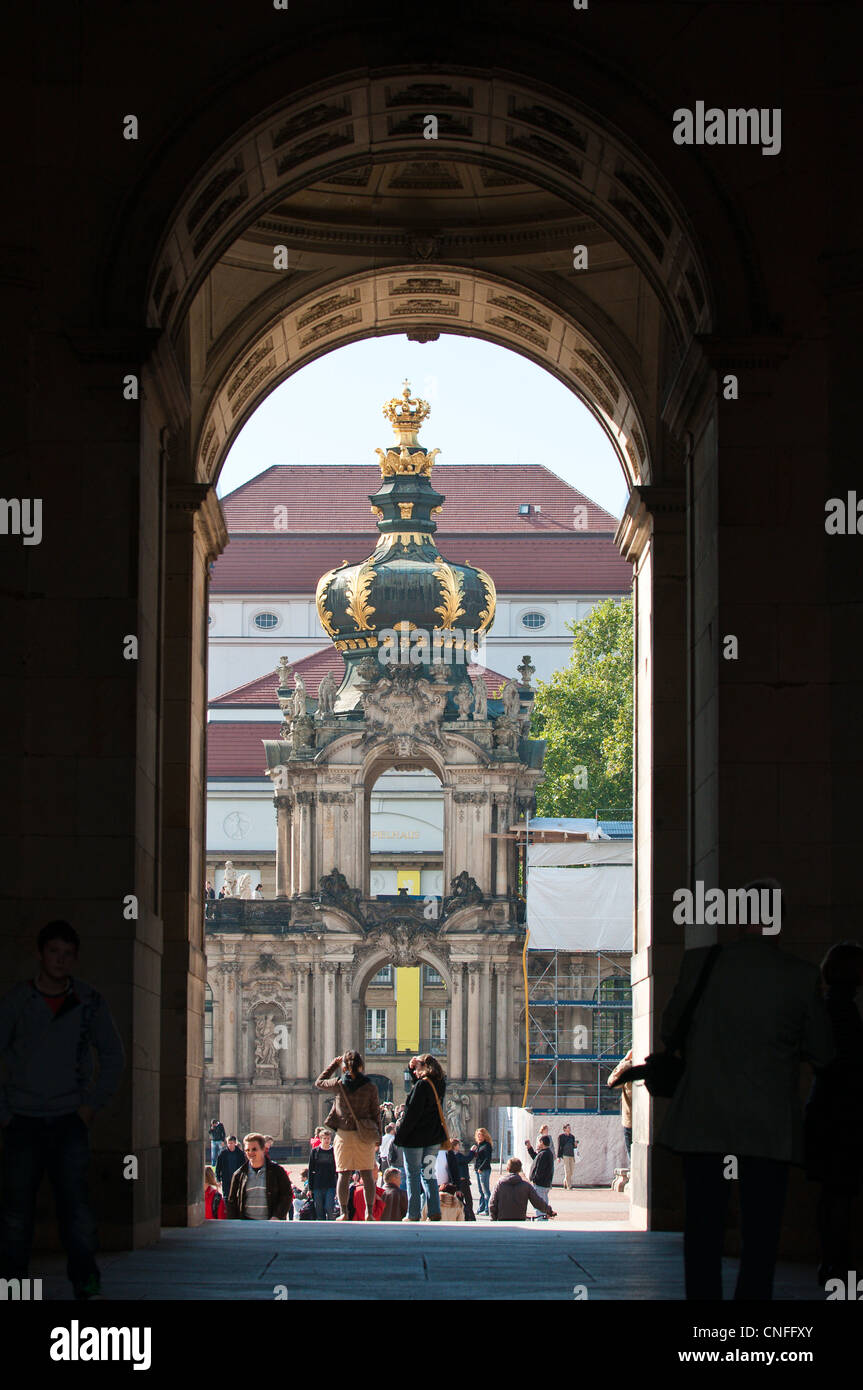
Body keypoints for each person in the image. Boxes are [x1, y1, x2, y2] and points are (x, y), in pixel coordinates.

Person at [657, 881, 835, 1300]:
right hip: (767, 1127)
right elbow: (824, 1052)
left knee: (702, 1229)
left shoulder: (699, 963)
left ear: (736, 918)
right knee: (761, 1235)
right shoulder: (801, 976)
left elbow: (670, 1032)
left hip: (704, 1123)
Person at [0, 920, 125, 1300]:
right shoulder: (17, 1001)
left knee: (76, 1213)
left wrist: (89, 1107)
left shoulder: (89, 1001)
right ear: (40, 955)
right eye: (53, 952)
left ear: (75, 959)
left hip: (69, 1121)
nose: (60, 960)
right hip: (21, 1120)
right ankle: (13, 1290)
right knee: (16, 1216)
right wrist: (4, 1111)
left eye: (67, 954)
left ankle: (86, 1287)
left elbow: (114, 1057)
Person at [804, 941, 863, 1286]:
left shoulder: (830, 1007)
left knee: (832, 1193)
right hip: (841, 1114)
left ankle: (832, 1262)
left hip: (827, 1110)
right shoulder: (843, 1011)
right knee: (840, 1193)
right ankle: (838, 1264)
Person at [315, 1050, 381, 1223]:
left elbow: (319, 1082)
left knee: (344, 1174)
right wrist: (378, 1138)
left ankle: (344, 1212)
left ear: (345, 1066)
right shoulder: (370, 1086)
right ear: (361, 1066)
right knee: (367, 1175)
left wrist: (334, 1065)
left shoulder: (339, 1084)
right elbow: (376, 1113)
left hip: (344, 1134)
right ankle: (369, 1213)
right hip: (364, 1135)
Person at [393, 1053, 447, 1222]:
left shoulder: (421, 1087)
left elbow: (412, 1115)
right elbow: (422, 1089)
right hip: (433, 1139)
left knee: (413, 1175)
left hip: (415, 1139)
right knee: (429, 1174)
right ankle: (434, 1211)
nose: (415, 1072)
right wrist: (411, 1069)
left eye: (416, 1069)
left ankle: (413, 1213)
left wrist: (400, 1137)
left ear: (424, 1068)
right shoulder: (439, 1084)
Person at [225, 1133, 293, 1220]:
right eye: (247, 1150)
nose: (250, 1153)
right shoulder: (239, 1175)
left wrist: (277, 1216)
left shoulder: (277, 1171)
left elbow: (287, 1195)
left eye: (254, 1149)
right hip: (246, 1225)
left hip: (271, 1226)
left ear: (263, 1149)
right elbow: (232, 1202)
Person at [489, 1158, 556, 1221]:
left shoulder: (499, 1184)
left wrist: (494, 1219)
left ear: (507, 1169)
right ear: (520, 1170)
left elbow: (492, 1203)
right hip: (520, 1219)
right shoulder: (526, 1186)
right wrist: (549, 1211)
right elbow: (537, 1202)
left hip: (502, 1220)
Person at [607, 1051, 633, 1161]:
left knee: (633, 1158)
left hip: (630, 1120)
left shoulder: (629, 1066)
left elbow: (611, 1081)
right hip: (641, 1120)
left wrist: (625, 1060)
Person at [308, 1129, 337, 1221]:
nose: (326, 1140)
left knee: (329, 1208)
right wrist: (310, 1188)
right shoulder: (315, 1151)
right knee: (319, 1211)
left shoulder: (334, 1151)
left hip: (330, 1184)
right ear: (320, 1139)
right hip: (317, 1184)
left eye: (328, 1138)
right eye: (324, 1138)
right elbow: (310, 1170)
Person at [445, 1139, 476, 1220]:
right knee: (466, 1199)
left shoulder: (453, 1155)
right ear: (454, 1146)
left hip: (461, 1180)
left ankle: (467, 1215)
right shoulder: (455, 1156)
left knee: (463, 1199)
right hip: (461, 1180)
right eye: (458, 1145)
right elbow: (466, 1160)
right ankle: (468, 1215)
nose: (460, 1146)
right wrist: (472, 1151)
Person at [525, 1134, 555, 1217]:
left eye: (539, 1142)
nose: (538, 1144)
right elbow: (535, 1157)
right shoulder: (546, 1153)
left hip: (541, 1183)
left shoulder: (544, 1154)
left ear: (542, 1143)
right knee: (544, 1201)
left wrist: (534, 1179)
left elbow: (540, 1170)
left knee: (539, 1203)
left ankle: (541, 1217)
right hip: (545, 1183)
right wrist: (529, 1148)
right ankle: (544, 1215)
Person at [471, 1128, 493, 1214]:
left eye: (481, 1135)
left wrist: (481, 1168)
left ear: (485, 1136)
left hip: (484, 1169)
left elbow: (487, 1158)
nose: (479, 1137)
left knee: (485, 1190)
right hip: (478, 1169)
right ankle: (482, 1207)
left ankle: (488, 1208)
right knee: (481, 1190)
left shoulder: (487, 1145)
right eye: (478, 1135)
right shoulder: (479, 1145)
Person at [556, 1123, 579, 1188]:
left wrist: (575, 1144)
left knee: (571, 1171)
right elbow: (559, 1146)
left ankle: (565, 1181)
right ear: (565, 1129)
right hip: (565, 1155)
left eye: (570, 1128)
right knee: (567, 1170)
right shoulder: (561, 1137)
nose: (569, 1129)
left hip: (572, 1155)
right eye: (568, 1128)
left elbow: (574, 1146)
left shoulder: (572, 1137)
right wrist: (559, 1156)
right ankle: (569, 1186)